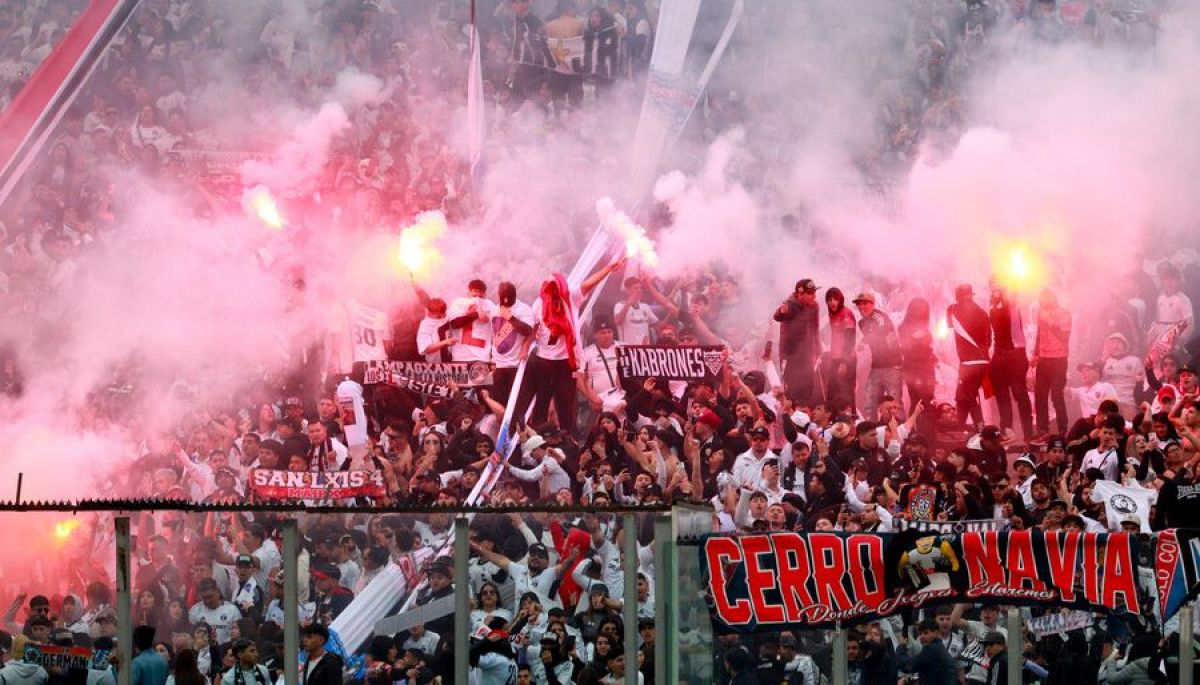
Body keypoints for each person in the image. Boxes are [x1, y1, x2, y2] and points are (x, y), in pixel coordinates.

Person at [988, 279, 1034, 442]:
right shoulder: (992, 305)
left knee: (1020, 394)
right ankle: (1007, 430)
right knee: (1001, 395)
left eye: (997, 285)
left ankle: (1029, 432)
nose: (994, 289)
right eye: (992, 286)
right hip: (999, 356)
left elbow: (1014, 292)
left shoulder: (1012, 303)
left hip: (1015, 354)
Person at [947, 284, 992, 427]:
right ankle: (969, 427)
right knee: (967, 395)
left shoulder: (953, 310)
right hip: (982, 361)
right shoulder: (983, 313)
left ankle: (969, 427)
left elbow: (949, 323)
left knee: (964, 395)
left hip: (968, 363)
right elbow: (989, 339)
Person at [854, 291, 903, 421]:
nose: (861, 306)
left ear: (872, 304)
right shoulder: (861, 323)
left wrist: (864, 340)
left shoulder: (880, 316)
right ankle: (872, 432)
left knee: (895, 402)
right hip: (876, 366)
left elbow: (881, 331)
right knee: (869, 401)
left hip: (892, 366)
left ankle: (901, 433)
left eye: (865, 303)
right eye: (858, 304)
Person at [1032, 287, 1071, 440]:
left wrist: (1052, 323)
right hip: (1043, 359)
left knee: (1056, 395)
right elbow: (1039, 334)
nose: (1042, 301)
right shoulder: (1040, 313)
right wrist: (1035, 354)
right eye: (1040, 298)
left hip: (1059, 359)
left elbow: (1064, 336)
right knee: (1040, 395)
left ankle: (1063, 429)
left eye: (1045, 298)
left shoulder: (1064, 313)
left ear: (1053, 298)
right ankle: (1043, 430)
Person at [774, 279, 821, 404]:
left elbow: (815, 329)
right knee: (791, 391)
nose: (814, 296)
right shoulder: (789, 304)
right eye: (810, 293)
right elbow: (777, 316)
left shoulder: (814, 306)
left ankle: (804, 417)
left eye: (814, 292)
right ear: (800, 294)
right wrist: (781, 311)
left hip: (807, 354)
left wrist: (818, 350)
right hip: (790, 355)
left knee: (807, 389)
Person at [899, 297, 937, 413]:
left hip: (927, 369)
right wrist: (917, 339)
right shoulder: (904, 327)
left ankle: (928, 428)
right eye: (919, 309)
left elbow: (928, 348)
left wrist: (932, 355)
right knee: (917, 400)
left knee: (928, 400)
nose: (922, 313)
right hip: (913, 369)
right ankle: (915, 428)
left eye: (924, 310)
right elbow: (906, 349)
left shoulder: (925, 327)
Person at [824, 287, 858, 412]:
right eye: (829, 300)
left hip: (846, 359)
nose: (832, 302)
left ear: (840, 300)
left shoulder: (846, 313)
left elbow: (850, 339)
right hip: (835, 358)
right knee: (832, 392)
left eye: (835, 299)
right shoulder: (831, 314)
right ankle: (832, 421)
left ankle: (850, 421)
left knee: (846, 393)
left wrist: (844, 362)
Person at [897, 618, 959, 685]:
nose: (922, 636)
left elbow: (906, 666)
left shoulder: (932, 650)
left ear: (937, 633)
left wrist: (901, 647)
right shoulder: (937, 647)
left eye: (926, 633)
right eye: (920, 634)